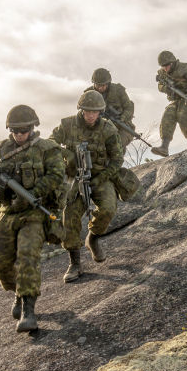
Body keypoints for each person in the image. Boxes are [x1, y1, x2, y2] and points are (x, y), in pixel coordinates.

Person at [0, 105, 64, 333]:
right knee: (0, 262)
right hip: (8, 211)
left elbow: (57, 175)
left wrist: (33, 194)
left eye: (23, 130)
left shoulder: (47, 149)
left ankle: (29, 309)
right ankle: (18, 291)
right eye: (15, 130)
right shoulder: (0, 149)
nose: (19, 135)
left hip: (34, 213)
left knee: (27, 256)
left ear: (32, 127)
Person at [50, 90, 123, 283]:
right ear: (81, 110)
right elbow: (49, 144)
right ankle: (74, 263)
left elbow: (117, 159)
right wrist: (66, 155)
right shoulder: (67, 125)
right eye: (87, 111)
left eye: (95, 111)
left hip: (100, 176)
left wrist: (103, 177)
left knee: (108, 208)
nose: (90, 115)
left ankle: (93, 237)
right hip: (75, 177)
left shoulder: (108, 129)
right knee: (70, 217)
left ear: (101, 112)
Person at [152, 50, 187, 157]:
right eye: (163, 66)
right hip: (175, 100)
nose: (165, 68)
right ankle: (164, 147)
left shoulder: (185, 68)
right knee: (168, 115)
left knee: (183, 117)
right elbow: (160, 86)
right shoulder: (162, 72)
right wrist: (166, 88)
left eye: (167, 65)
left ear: (172, 62)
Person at [87, 67, 136, 147]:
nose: (100, 88)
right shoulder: (88, 95)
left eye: (103, 85)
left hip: (121, 126)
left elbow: (129, 107)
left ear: (108, 83)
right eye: (98, 85)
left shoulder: (118, 90)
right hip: (98, 128)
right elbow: (84, 114)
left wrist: (122, 118)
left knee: (117, 146)